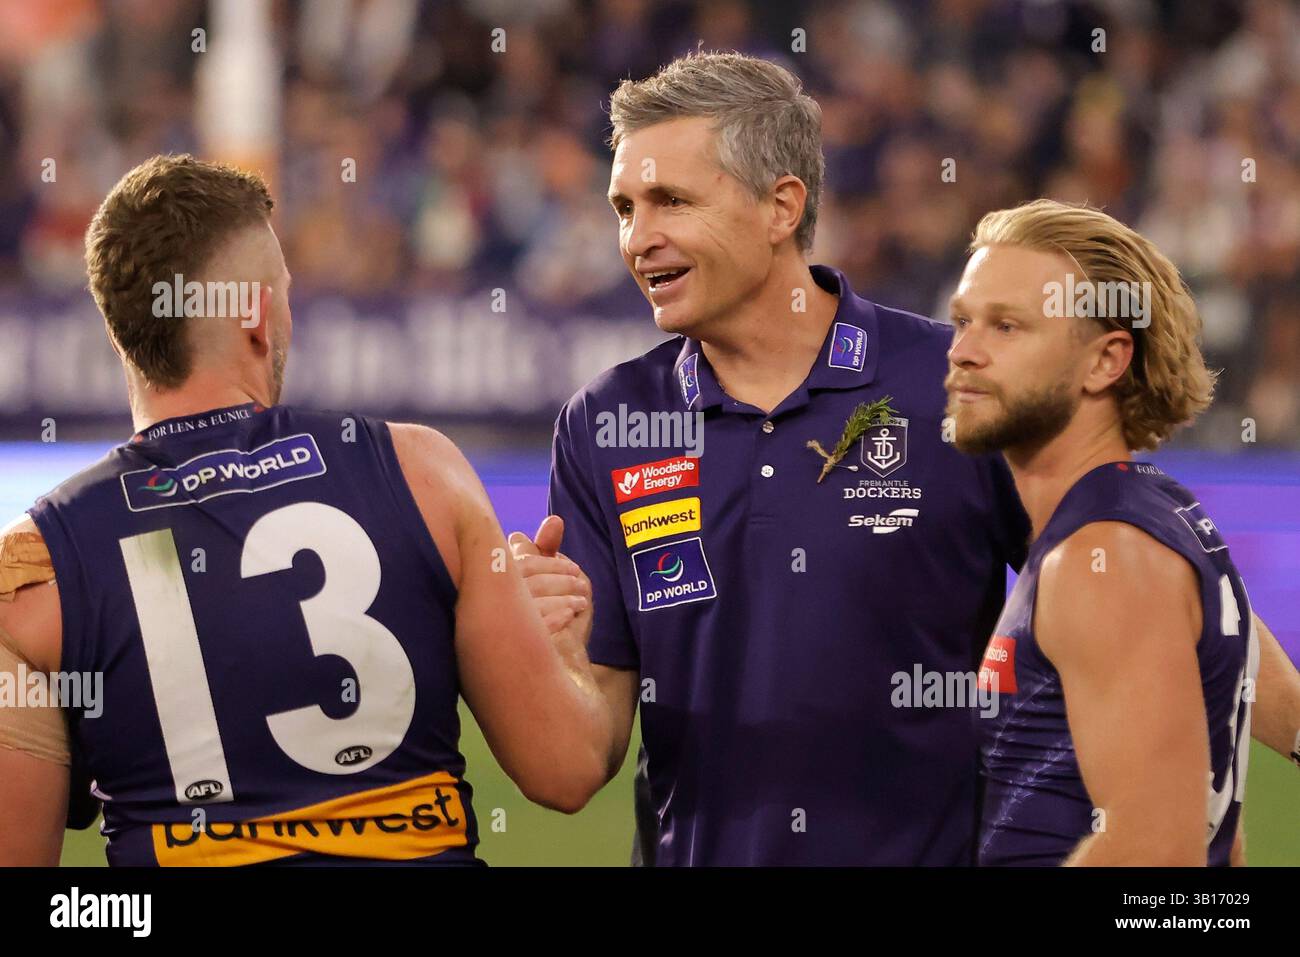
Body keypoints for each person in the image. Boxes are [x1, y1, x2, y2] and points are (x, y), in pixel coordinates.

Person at [509, 52, 1300, 866]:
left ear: (782, 205)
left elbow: (1161, 580)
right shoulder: (608, 423)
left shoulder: (957, 384)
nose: (639, 238)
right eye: (624, 207)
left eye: (671, 200)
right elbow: (573, 771)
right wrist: (538, 650)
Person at [0, 154, 611, 866]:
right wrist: (562, 648)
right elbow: (567, 770)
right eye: (284, 291)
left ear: (120, 334)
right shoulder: (423, 473)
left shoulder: (33, 574)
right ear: (257, 319)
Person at [947, 199, 1296, 865]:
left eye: (1007, 326)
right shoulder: (1152, 512)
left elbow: (1157, 855)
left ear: (1104, 362)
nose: (963, 352)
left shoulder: (1101, 556)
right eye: (963, 321)